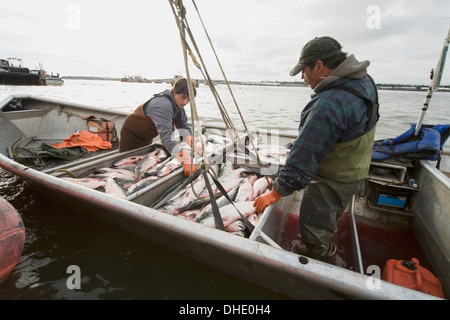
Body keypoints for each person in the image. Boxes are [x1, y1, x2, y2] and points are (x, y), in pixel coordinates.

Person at [253, 36, 379, 263]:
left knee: (314, 228)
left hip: (333, 179)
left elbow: (304, 156)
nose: (302, 77)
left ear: (319, 66)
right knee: (328, 219)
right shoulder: (363, 81)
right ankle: (319, 248)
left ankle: (325, 269)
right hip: (354, 171)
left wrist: (276, 191)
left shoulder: (330, 102)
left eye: (304, 70)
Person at [119, 77, 197, 176]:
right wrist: (185, 160)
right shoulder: (163, 105)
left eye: (189, 99)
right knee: (130, 165)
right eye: (183, 97)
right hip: (131, 135)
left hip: (147, 136)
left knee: (144, 163)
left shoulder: (178, 104)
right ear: (174, 91)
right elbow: (166, 137)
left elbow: (183, 125)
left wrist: (194, 145)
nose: (186, 102)